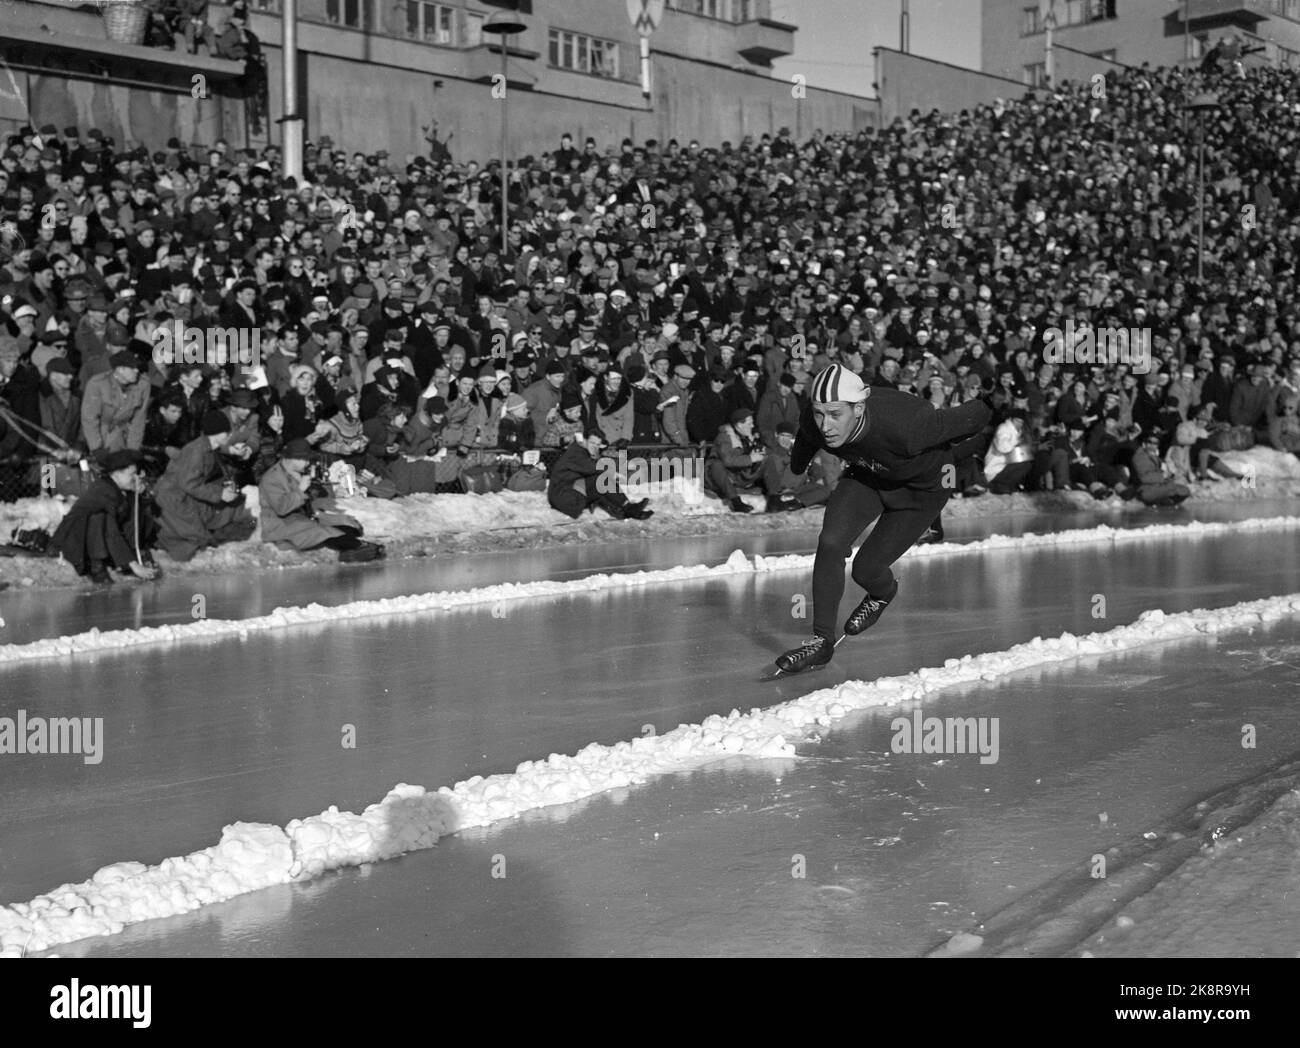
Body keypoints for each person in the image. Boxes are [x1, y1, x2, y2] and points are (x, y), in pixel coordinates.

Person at [774, 363, 991, 675]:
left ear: (859, 408)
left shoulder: (909, 426)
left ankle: (882, 593)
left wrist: (985, 402)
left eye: (836, 414)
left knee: (866, 569)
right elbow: (808, 436)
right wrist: (797, 467)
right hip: (868, 476)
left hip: (921, 492)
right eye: (820, 413)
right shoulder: (815, 419)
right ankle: (820, 642)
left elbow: (976, 417)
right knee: (831, 542)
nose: (826, 424)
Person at [258, 438, 383, 561]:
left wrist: (316, 489)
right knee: (323, 533)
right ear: (292, 458)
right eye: (305, 459)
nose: (308, 463)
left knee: (349, 528)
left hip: (302, 519)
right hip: (281, 526)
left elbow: (312, 502)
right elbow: (281, 508)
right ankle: (355, 549)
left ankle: (353, 547)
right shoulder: (271, 478)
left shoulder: (296, 473)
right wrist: (300, 490)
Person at [46, 449, 159, 585]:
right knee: (99, 517)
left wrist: (139, 495)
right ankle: (97, 567)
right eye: (132, 474)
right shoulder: (104, 491)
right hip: (75, 543)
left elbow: (132, 522)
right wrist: (134, 565)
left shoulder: (118, 488)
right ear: (117, 473)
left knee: (129, 511)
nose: (136, 478)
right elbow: (112, 533)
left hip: (97, 543)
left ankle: (125, 559)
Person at [155, 412, 256, 561]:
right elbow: (189, 483)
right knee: (197, 539)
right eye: (226, 432)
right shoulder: (197, 451)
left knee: (206, 529)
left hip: (183, 498)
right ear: (215, 433)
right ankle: (170, 561)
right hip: (174, 501)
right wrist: (219, 494)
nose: (230, 434)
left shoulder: (209, 447)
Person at [546, 427, 652, 521]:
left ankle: (628, 512)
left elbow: (598, 464)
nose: (595, 447)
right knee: (602, 480)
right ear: (585, 441)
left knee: (600, 485)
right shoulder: (576, 452)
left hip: (570, 492)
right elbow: (591, 467)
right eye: (592, 443)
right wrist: (612, 471)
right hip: (563, 497)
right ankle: (629, 509)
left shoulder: (584, 452)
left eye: (597, 444)